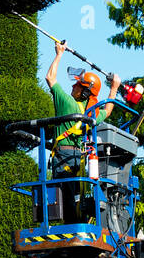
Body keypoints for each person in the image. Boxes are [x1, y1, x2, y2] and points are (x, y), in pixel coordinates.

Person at [45, 39, 122, 222]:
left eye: (78, 85)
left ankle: (72, 228)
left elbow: (50, 78)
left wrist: (59, 54)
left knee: (64, 197)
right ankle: (79, 224)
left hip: (63, 155)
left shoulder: (68, 104)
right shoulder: (91, 114)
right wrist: (114, 88)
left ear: (85, 92)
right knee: (74, 197)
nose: (73, 86)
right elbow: (108, 110)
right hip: (78, 159)